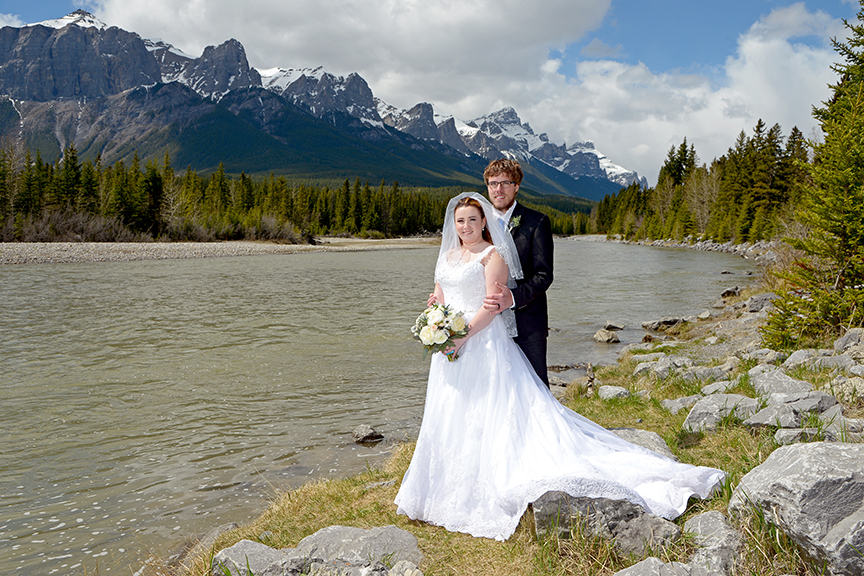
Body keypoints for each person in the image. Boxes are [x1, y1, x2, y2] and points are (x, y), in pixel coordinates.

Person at [394, 191, 724, 542]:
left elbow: (492, 306)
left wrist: (462, 337)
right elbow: (440, 294)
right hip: (448, 348)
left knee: (484, 410)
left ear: (483, 222)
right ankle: (444, 485)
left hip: (480, 343)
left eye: (472, 220)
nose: (465, 226)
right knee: (451, 411)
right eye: (460, 221)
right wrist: (436, 321)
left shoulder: (492, 257)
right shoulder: (447, 255)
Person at [480, 159, 553, 386]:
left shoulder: (537, 222)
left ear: (517, 186)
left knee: (535, 388)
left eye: (505, 183)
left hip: (528, 322)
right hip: (486, 325)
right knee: (492, 388)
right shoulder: (478, 222)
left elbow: (543, 275)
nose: (498, 189)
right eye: (493, 184)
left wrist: (511, 298)